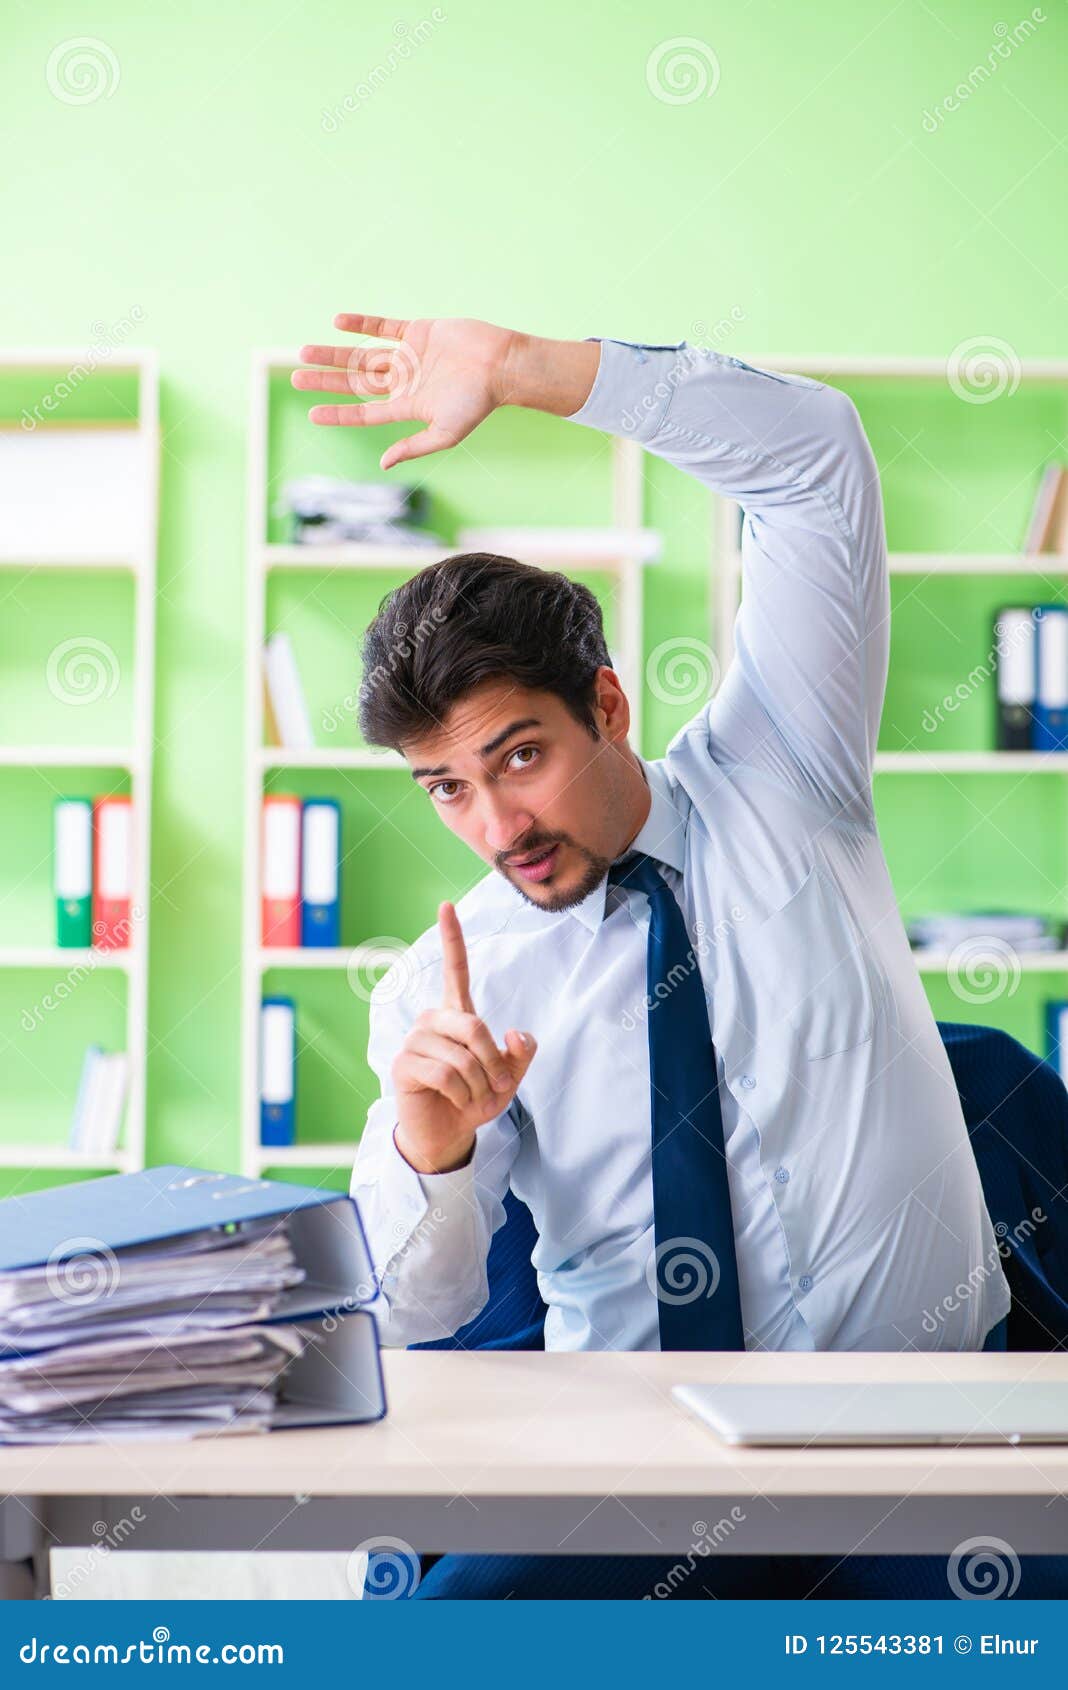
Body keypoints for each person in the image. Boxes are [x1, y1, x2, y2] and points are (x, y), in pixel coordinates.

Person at [290, 315, 1014, 1599]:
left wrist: (523, 370)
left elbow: (815, 459)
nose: (499, 826)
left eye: (521, 755)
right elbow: (415, 1311)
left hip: (913, 1448)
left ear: (609, 706)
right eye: (446, 787)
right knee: (419, 1653)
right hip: (627, 1464)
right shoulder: (451, 980)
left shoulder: (785, 780)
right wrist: (430, 1153)